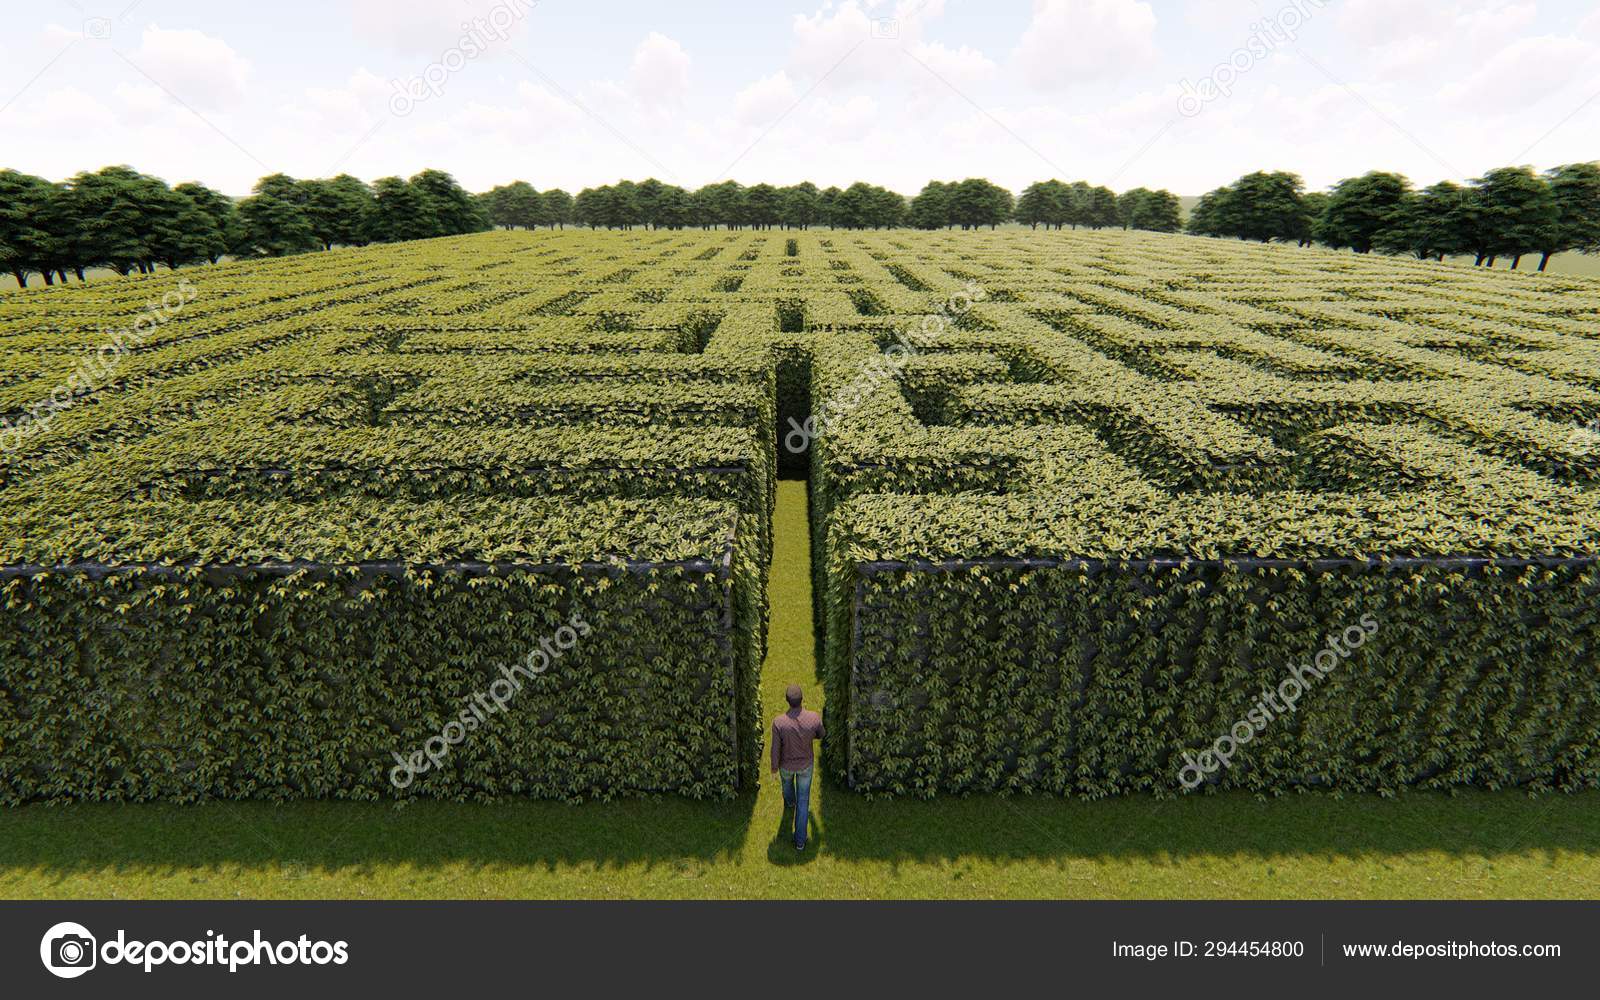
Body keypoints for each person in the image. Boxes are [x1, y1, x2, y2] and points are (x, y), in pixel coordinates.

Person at [771, 683, 824, 851]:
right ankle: (800, 842)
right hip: (805, 766)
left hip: (786, 765)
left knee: (787, 785)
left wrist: (773, 768)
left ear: (787, 700)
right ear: (802, 699)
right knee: (804, 801)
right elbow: (822, 734)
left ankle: (789, 802)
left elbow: (775, 748)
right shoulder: (814, 718)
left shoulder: (779, 723)